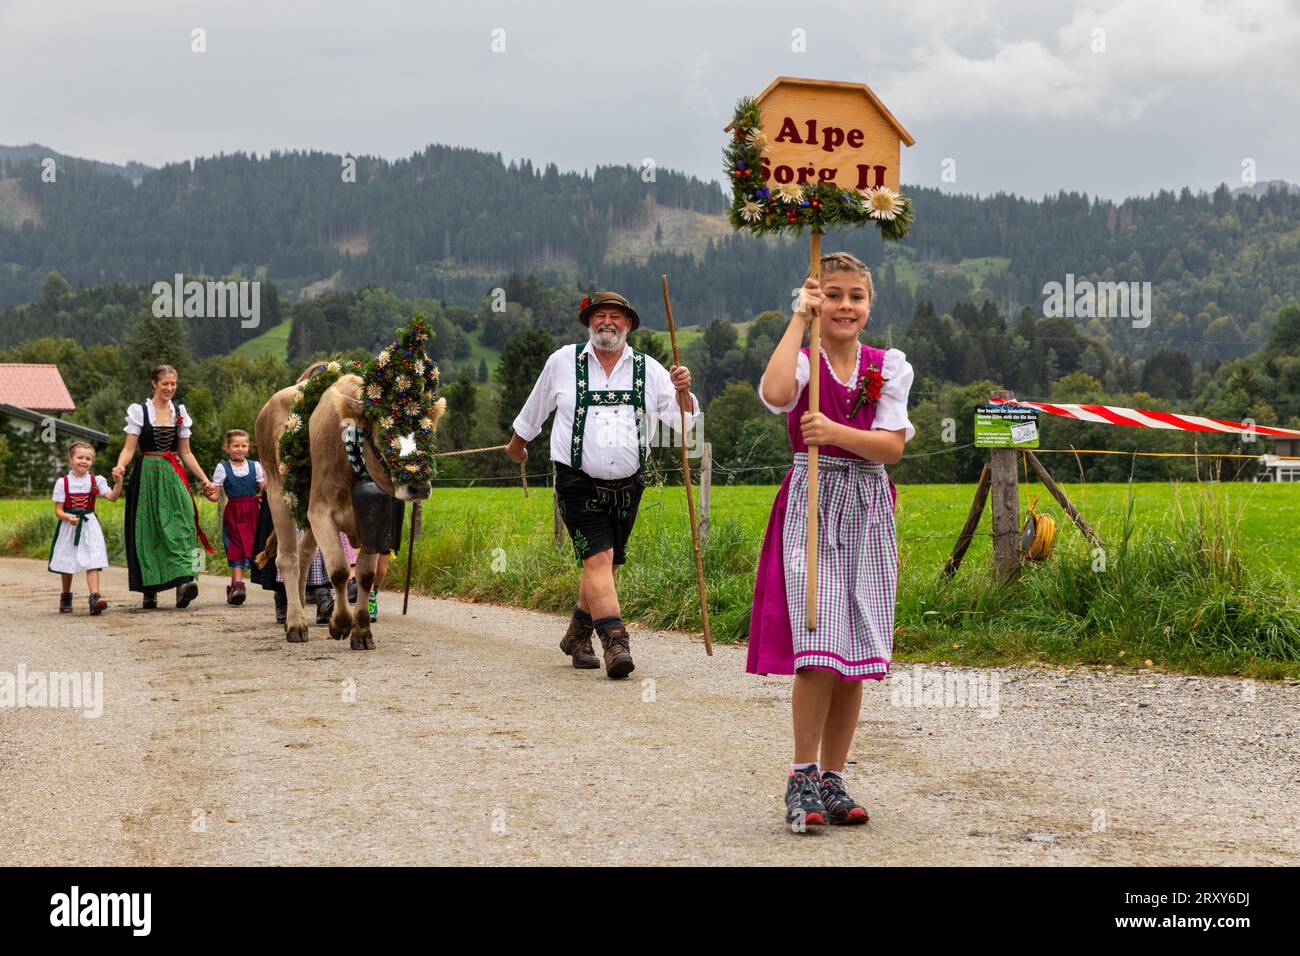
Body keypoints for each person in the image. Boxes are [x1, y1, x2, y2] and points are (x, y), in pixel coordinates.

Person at [748, 252, 914, 829]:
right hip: (814, 503)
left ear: (869, 306)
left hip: (867, 506)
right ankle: (801, 776)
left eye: (855, 297)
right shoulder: (802, 360)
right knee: (819, 644)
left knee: (855, 656)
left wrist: (837, 431)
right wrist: (799, 318)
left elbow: (891, 447)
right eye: (834, 296)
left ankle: (834, 777)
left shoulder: (888, 366)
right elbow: (772, 394)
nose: (845, 306)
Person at [505, 291, 699, 679]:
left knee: (607, 564)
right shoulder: (563, 361)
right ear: (589, 323)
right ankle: (616, 643)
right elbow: (536, 406)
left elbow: (685, 424)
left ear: (628, 325)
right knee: (597, 560)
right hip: (576, 481)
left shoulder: (649, 369)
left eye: (616, 317)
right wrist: (518, 445)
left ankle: (576, 635)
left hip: (629, 485)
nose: (607, 322)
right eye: (600, 316)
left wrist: (683, 392)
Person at [112, 365, 217, 609]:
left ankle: (187, 581)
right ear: (154, 384)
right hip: (147, 473)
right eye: (165, 384)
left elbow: (186, 452)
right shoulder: (140, 411)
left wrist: (205, 479)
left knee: (186, 524)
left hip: (172, 473)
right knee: (147, 530)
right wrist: (120, 466)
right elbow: (129, 448)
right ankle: (149, 591)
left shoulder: (180, 412)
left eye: (173, 384)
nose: (170, 388)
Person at [49, 441, 124, 614]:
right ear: (71, 460)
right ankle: (66, 596)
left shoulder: (96, 480)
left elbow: (112, 497)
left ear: (92, 461)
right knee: (67, 562)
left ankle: (95, 597)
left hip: (89, 524)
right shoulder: (63, 482)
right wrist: (68, 516)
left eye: (88, 458)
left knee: (93, 560)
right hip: (70, 526)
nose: (84, 461)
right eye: (80, 457)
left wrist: (118, 482)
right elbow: (58, 511)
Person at [208, 429, 266, 605]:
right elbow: (216, 496)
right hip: (233, 512)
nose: (240, 449)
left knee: (256, 544)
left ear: (248, 446)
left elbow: (264, 487)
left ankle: (263, 580)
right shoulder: (222, 468)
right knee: (235, 546)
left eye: (244, 445)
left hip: (253, 511)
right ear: (227, 447)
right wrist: (207, 493)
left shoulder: (255, 466)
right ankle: (238, 586)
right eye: (236, 445)